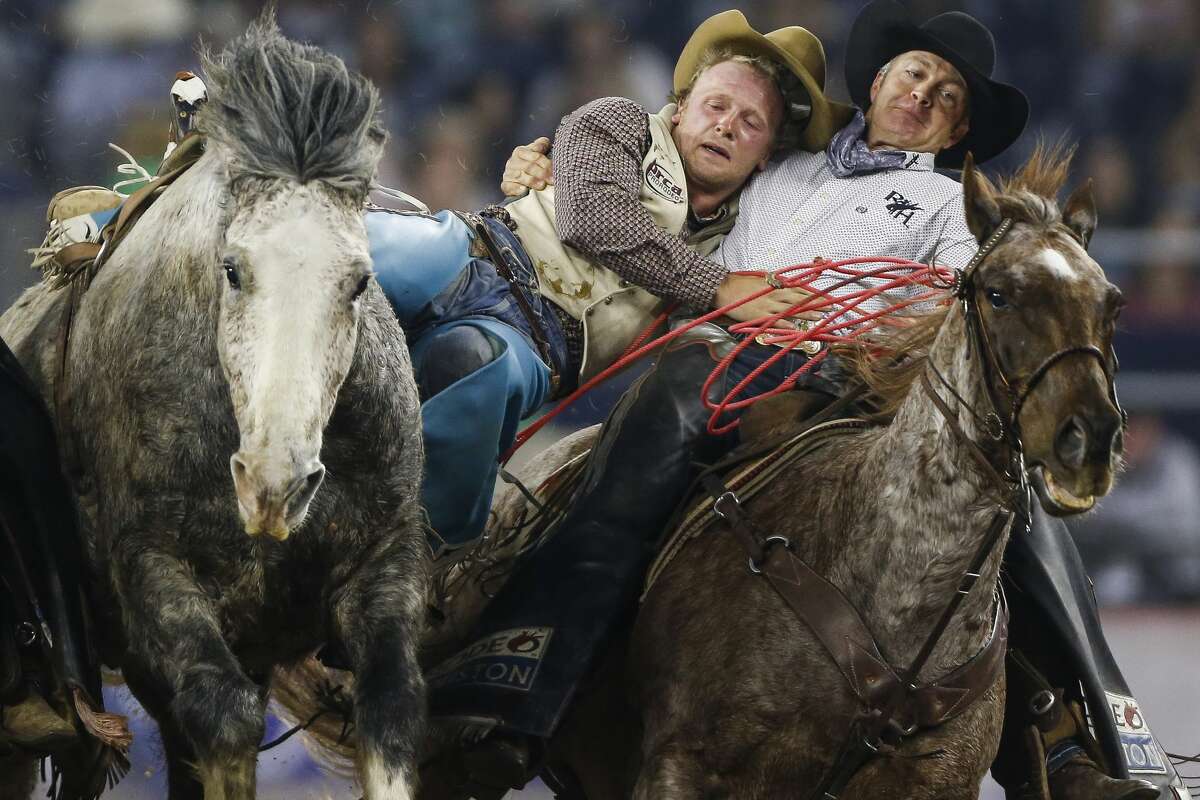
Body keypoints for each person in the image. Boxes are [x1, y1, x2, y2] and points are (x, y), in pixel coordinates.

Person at [433, 4, 1173, 799]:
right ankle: (528, 671)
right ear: (880, 81)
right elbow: (676, 170)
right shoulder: (783, 160)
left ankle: (1080, 744)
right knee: (661, 412)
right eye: (915, 74)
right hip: (720, 364)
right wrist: (558, 164)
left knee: (1003, 487)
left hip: (860, 396)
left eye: (949, 97)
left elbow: (964, 310)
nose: (924, 96)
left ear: (956, 132)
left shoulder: (955, 210)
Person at [365, 10, 851, 549]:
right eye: (715, 105)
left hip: (538, 348)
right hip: (473, 251)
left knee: (477, 370)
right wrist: (718, 287)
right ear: (682, 107)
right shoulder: (620, 119)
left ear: (765, 158)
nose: (727, 125)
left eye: (750, 122)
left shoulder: (748, 237)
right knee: (359, 248)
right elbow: (592, 215)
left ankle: (422, 560)